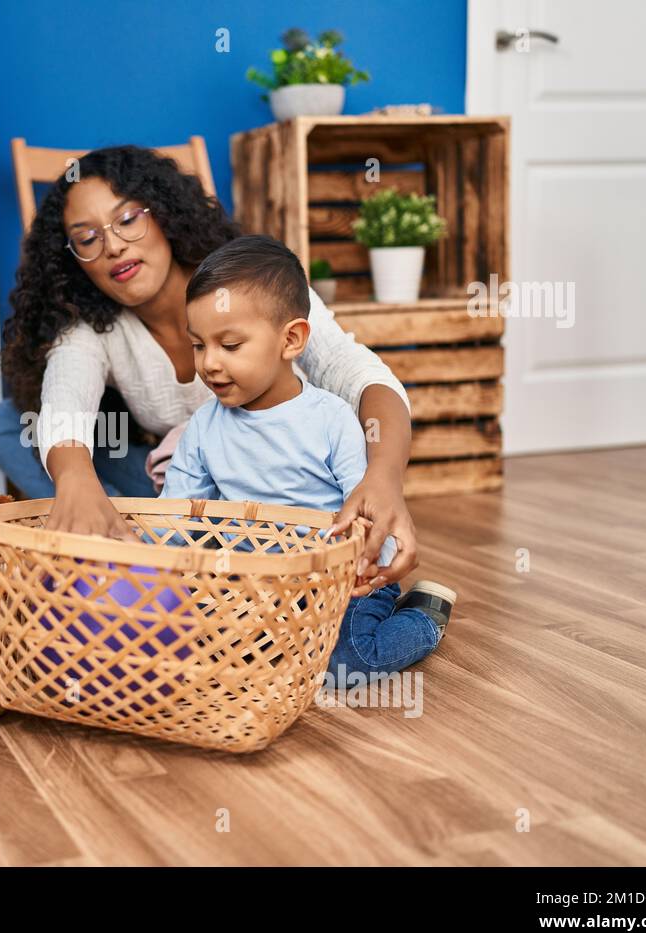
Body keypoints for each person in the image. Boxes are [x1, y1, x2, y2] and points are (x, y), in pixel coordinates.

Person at [0, 145, 418, 595]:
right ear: (73, 258)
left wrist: (384, 479)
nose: (112, 245)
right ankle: (115, 537)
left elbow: (354, 370)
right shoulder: (93, 326)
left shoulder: (248, 284)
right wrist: (75, 478)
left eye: (128, 219)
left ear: (164, 213)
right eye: (87, 238)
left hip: (291, 482)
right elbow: (66, 397)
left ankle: (148, 544)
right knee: (5, 424)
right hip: (188, 483)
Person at [159, 234, 455, 678]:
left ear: (292, 339)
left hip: (339, 579)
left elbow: (371, 511)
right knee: (213, 650)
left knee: (346, 663)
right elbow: (174, 516)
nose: (209, 364)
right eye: (199, 345)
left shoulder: (331, 418)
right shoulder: (204, 426)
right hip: (254, 586)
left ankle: (423, 617)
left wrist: (371, 567)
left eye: (230, 345)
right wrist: (145, 573)